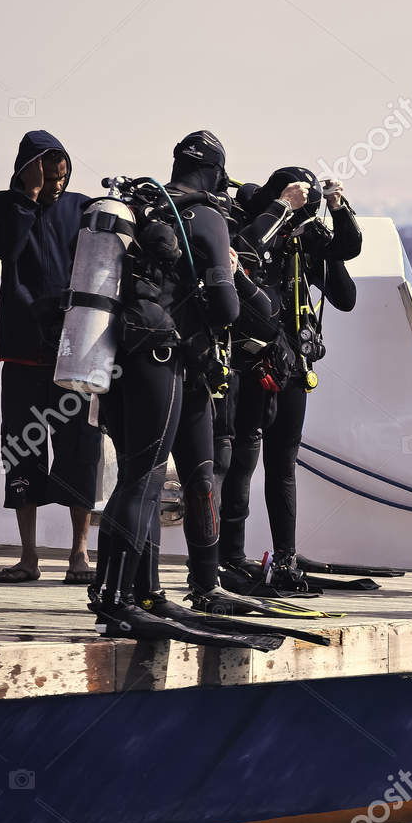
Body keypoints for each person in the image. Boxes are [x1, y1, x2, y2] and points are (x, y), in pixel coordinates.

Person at [88, 130, 275, 648]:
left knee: (174, 473)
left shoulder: (152, 208)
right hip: (161, 353)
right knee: (145, 478)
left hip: (139, 354)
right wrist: (232, 274)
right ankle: (117, 599)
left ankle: (161, 590)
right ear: (216, 173)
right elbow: (228, 310)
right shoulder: (209, 217)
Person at [217, 166, 361, 593]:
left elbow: (346, 296)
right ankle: (229, 557)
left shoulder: (304, 239)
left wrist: (337, 211)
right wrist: (282, 211)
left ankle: (285, 559)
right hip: (250, 363)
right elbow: (243, 253)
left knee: (282, 465)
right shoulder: (249, 226)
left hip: (293, 365)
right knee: (241, 461)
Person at [0, 130, 103, 584]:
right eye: (49, 176)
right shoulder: (2, 205)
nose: (57, 184)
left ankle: (79, 555)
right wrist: (27, 196)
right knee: (23, 453)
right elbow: (6, 247)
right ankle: (29, 557)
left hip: (75, 356)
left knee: (81, 453)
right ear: (28, 171)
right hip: (22, 355)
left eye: (63, 175)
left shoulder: (83, 208)